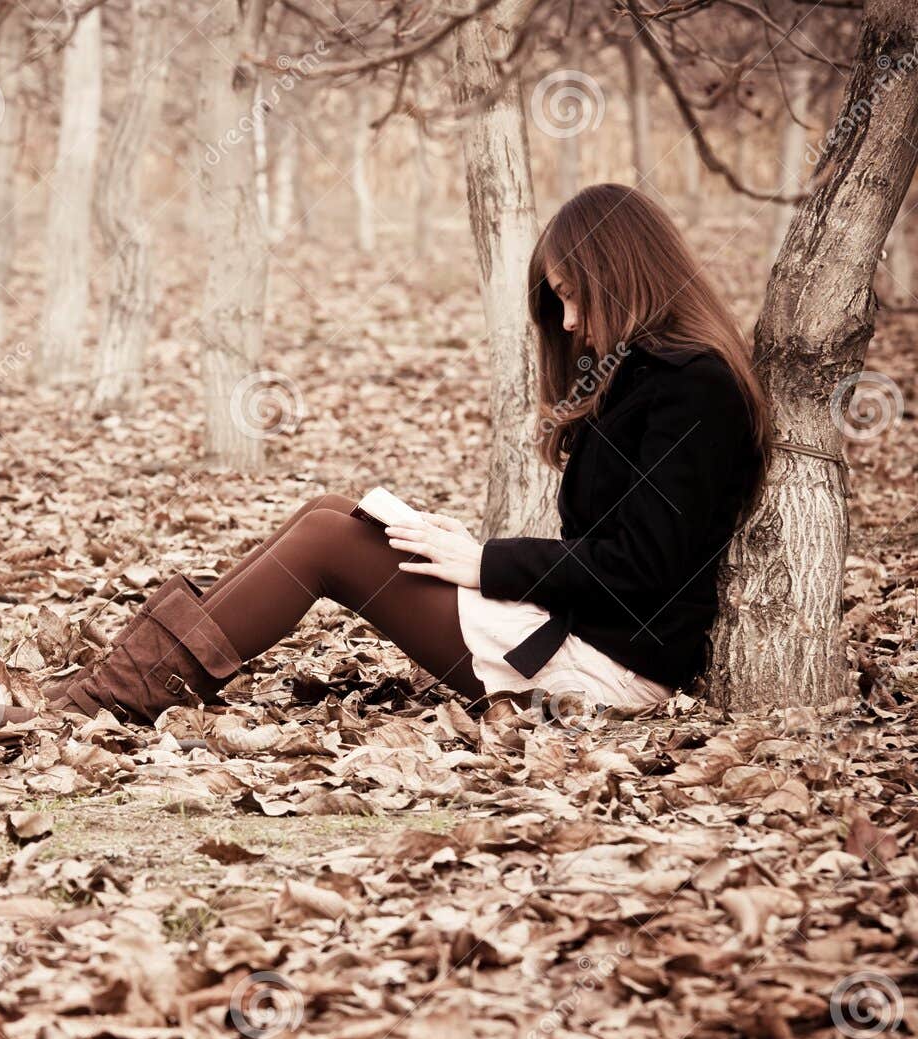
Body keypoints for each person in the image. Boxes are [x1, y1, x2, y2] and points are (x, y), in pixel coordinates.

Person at [44, 183, 773, 725]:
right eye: (560, 305)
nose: (573, 324)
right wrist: (478, 556)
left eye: (575, 298)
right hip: (573, 628)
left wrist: (484, 561)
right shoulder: (653, 375)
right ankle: (106, 686)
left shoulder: (696, 387)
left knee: (330, 540)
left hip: (607, 666)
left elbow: (644, 565)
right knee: (334, 513)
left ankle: (103, 702)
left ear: (625, 275)